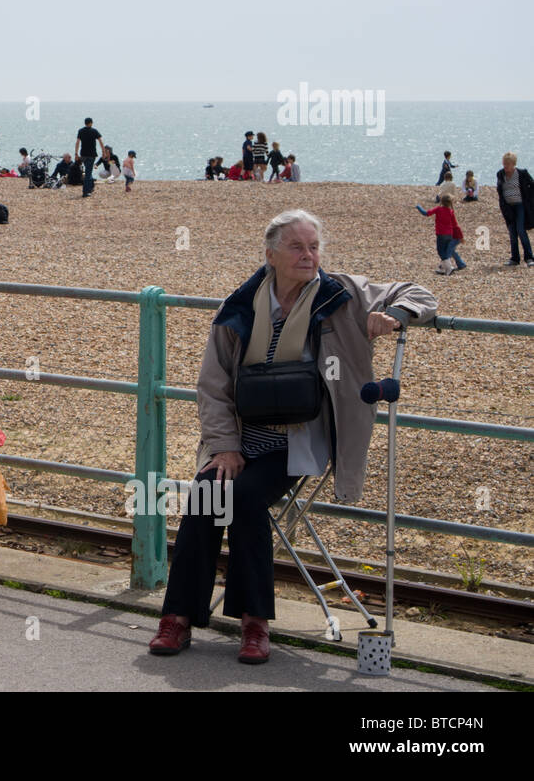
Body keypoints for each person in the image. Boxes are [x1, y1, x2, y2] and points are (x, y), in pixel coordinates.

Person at [148, 210, 437, 664]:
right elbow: (213, 383)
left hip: (300, 440)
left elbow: (418, 291)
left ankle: (254, 623)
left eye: (314, 247)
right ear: (271, 255)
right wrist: (224, 445)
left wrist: (395, 314)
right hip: (242, 439)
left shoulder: (342, 293)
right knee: (205, 493)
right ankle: (177, 617)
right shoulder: (241, 304)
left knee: (242, 499)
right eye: (297, 248)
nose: (309, 256)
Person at [496, 151, 534, 267]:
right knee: (512, 232)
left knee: (521, 230)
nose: (505, 166)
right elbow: (500, 189)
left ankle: (529, 257)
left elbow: (532, 185)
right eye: (504, 164)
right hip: (508, 207)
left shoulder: (522, 173)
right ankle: (515, 258)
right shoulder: (500, 174)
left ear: (513, 164)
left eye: (507, 164)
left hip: (520, 205)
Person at [416, 193, 466, 274]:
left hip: (441, 234)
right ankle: (442, 268)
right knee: (446, 251)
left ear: (441, 202)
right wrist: (460, 236)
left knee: (441, 252)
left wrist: (418, 207)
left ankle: (449, 268)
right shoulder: (451, 211)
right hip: (450, 234)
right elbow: (455, 225)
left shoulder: (438, 209)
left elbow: (426, 213)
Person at [74, 117, 102, 197]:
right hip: (91, 155)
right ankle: (85, 192)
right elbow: (100, 141)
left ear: (85, 123)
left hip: (83, 154)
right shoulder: (94, 131)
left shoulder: (81, 131)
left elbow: (77, 142)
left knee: (88, 171)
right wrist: (103, 151)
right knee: (88, 173)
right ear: (91, 123)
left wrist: (76, 153)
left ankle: (91, 186)